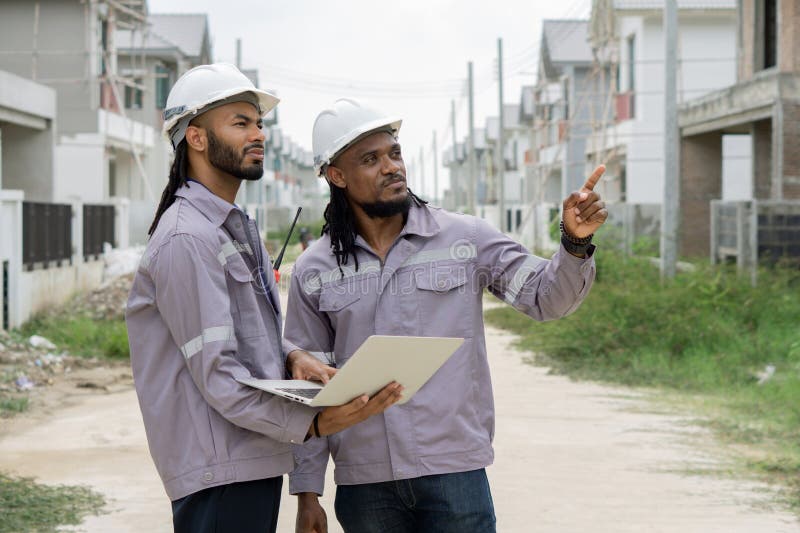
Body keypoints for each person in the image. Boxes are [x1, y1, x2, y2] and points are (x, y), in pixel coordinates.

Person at [283, 98, 608, 533]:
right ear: (337, 176)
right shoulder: (315, 269)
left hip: (454, 475)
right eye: (370, 159)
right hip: (365, 484)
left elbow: (547, 299)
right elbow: (308, 391)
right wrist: (308, 494)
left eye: (394, 153)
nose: (391, 167)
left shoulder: (465, 238)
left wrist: (573, 243)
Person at [125, 67, 402, 533]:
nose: (259, 134)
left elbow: (243, 340)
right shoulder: (186, 238)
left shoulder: (231, 228)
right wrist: (314, 424)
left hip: (247, 458)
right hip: (218, 469)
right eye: (241, 123)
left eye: (259, 123)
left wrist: (291, 356)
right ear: (194, 137)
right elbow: (217, 373)